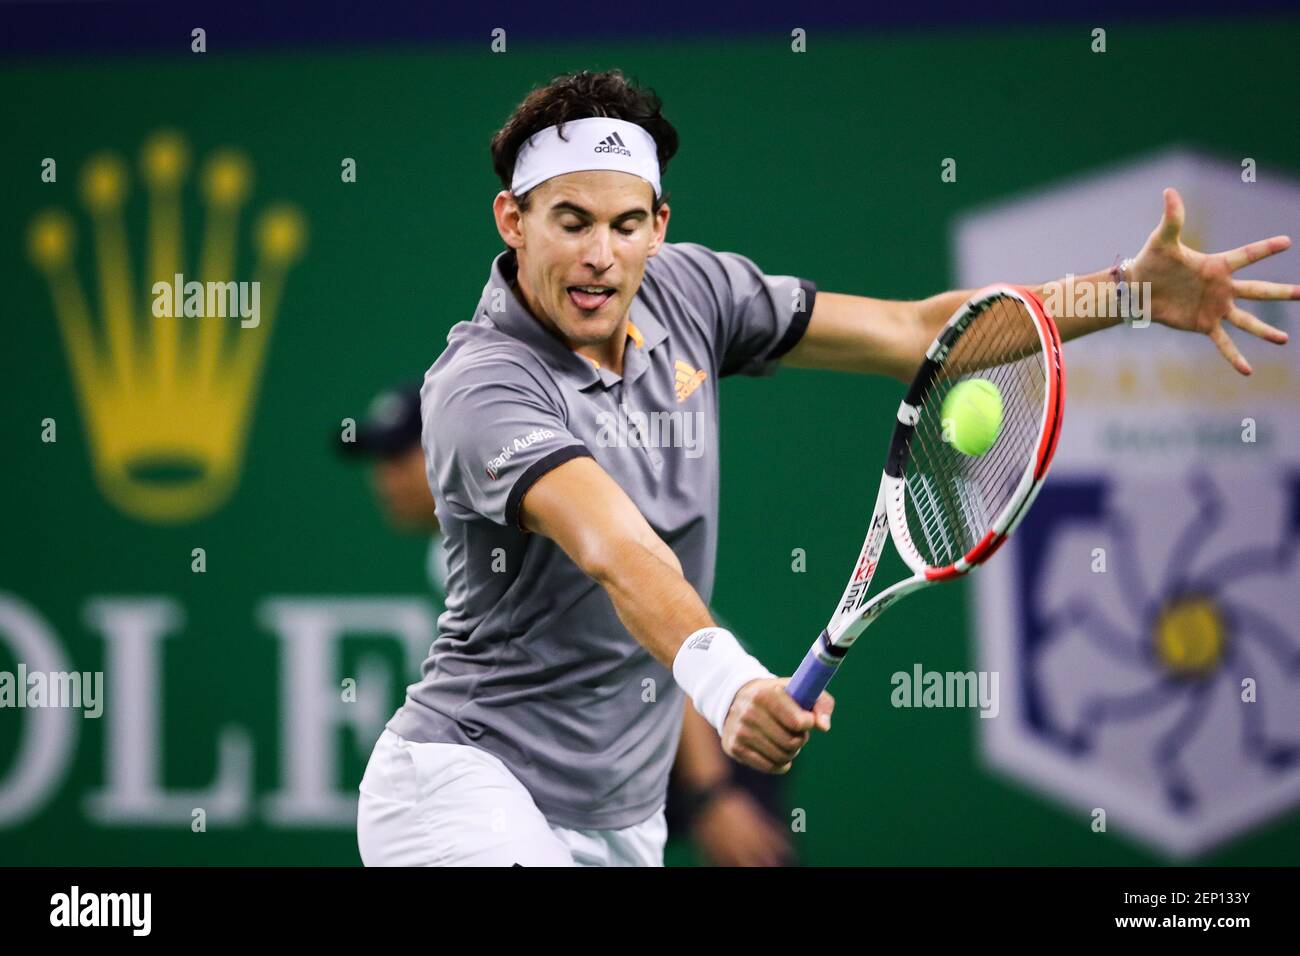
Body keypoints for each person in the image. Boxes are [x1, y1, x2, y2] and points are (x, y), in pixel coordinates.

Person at [357, 68, 1295, 867]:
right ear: (511, 221)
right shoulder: (482, 387)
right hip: (462, 785)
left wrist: (1127, 291)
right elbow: (616, 549)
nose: (601, 255)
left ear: (659, 222)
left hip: (620, 816)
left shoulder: (689, 290)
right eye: (569, 221)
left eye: (626, 223)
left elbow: (922, 332)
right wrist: (731, 688)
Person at [345, 381, 796, 865]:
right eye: (377, 461)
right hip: (616, 743)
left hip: (706, 735)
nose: (383, 480)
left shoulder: (525, 516)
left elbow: (648, 649)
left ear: (443, 448)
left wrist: (712, 795)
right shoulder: (458, 548)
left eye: (397, 458)